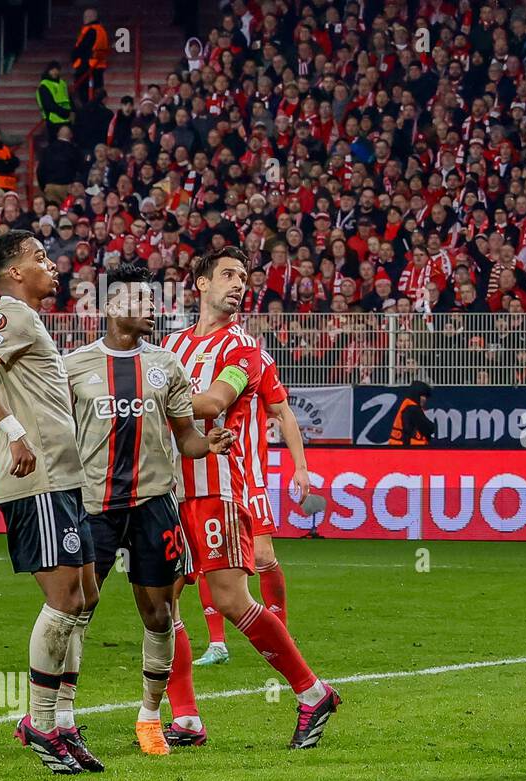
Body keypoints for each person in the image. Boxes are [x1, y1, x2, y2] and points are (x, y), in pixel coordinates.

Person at [160, 248, 341, 748]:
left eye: (244, 277)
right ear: (200, 283)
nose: (239, 284)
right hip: (169, 489)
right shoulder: (171, 345)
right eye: (228, 275)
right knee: (161, 603)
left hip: (218, 487)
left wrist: (140, 395)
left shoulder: (244, 351)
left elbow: (215, 401)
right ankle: (187, 719)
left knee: (232, 598)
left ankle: (311, 691)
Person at [57, 263, 235, 754]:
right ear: (114, 307)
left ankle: (150, 717)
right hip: (93, 507)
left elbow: (186, 439)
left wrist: (210, 442)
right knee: (77, 609)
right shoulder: (73, 367)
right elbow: (52, 432)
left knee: (159, 614)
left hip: (156, 504)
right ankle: (63, 715)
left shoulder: (166, 365)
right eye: (141, 300)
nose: (154, 307)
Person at [0, 230, 99, 774]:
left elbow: (3, 383)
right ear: (15, 272)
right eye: (39, 258)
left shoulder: (28, 319)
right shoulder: (12, 312)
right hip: (36, 480)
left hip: (63, 480)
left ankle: (62, 721)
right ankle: (41, 723)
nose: (52, 265)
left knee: (84, 595)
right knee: (65, 597)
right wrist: (12, 432)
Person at [194, 345, 312, 666]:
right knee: (209, 558)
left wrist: (300, 466)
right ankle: (217, 644)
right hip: (208, 471)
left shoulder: (254, 357)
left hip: (249, 474)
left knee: (262, 556)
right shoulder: (191, 354)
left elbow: (283, 411)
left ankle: (279, 633)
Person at [71, 8, 108, 98]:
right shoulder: (101, 30)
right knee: (98, 93)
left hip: (87, 67)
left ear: (92, 17)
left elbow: (82, 48)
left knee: (84, 94)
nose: (84, 19)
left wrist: (73, 56)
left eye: (86, 16)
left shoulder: (91, 30)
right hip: (98, 66)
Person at [387, 380, 436, 445]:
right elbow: (428, 428)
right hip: (410, 448)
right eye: (423, 396)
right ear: (417, 394)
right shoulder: (413, 409)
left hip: (399, 445)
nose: (425, 399)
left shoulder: (407, 405)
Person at [37, 61, 73, 138]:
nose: (55, 72)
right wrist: (64, 112)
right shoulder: (44, 85)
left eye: (57, 70)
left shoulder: (62, 83)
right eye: (52, 70)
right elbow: (48, 105)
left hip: (66, 119)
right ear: (48, 71)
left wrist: (71, 111)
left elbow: (68, 98)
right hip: (53, 120)